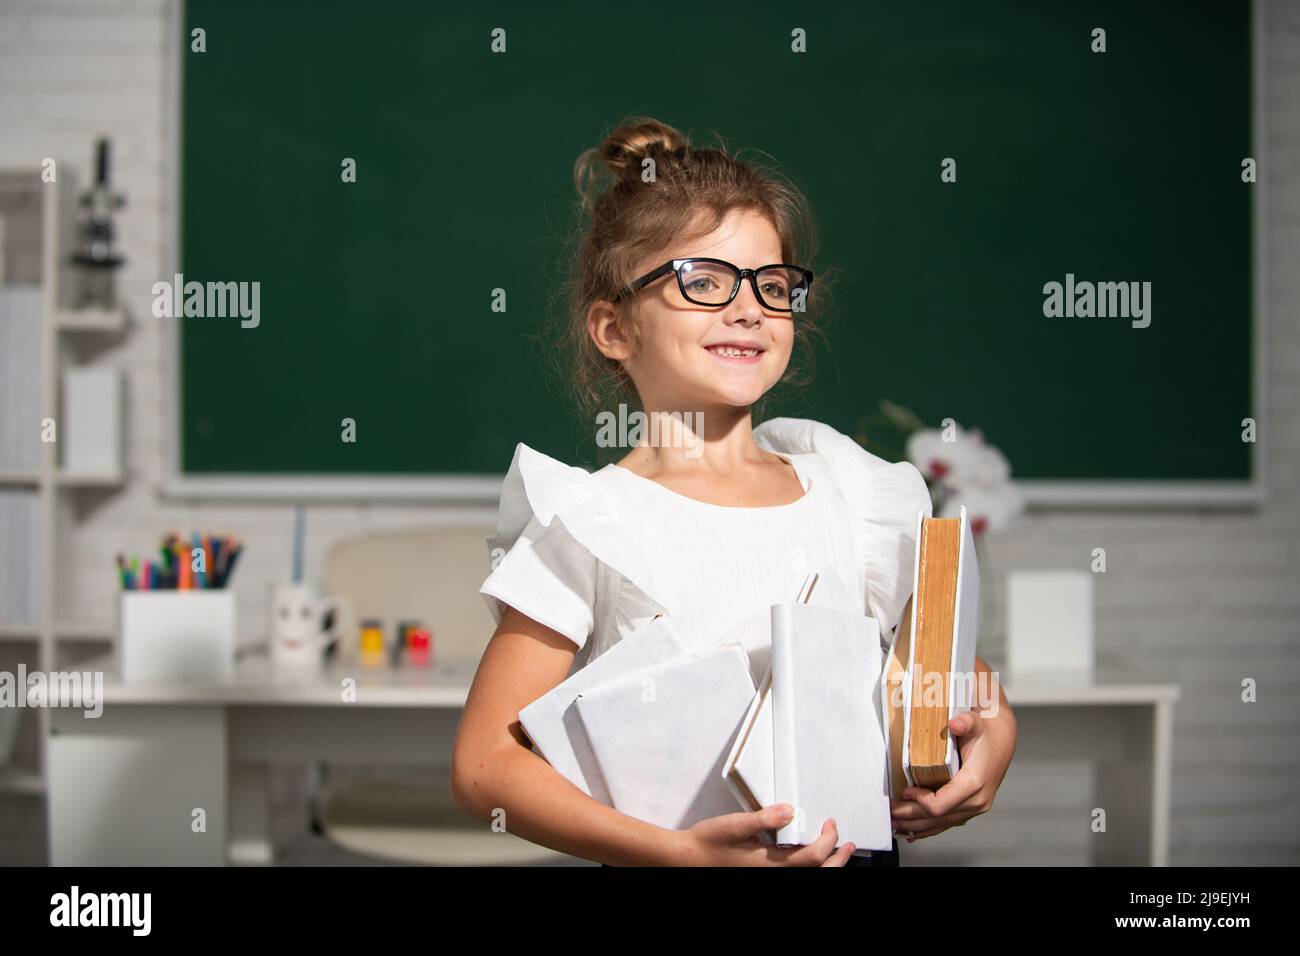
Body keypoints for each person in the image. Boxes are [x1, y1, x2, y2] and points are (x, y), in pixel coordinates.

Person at [450, 116, 1017, 866]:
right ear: (615, 329)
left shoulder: (848, 492)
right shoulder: (590, 523)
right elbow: (485, 763)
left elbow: (941, 669)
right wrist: (678, 853)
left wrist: (996, 729)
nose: (748, 307)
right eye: (704, 281)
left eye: (771, 284)